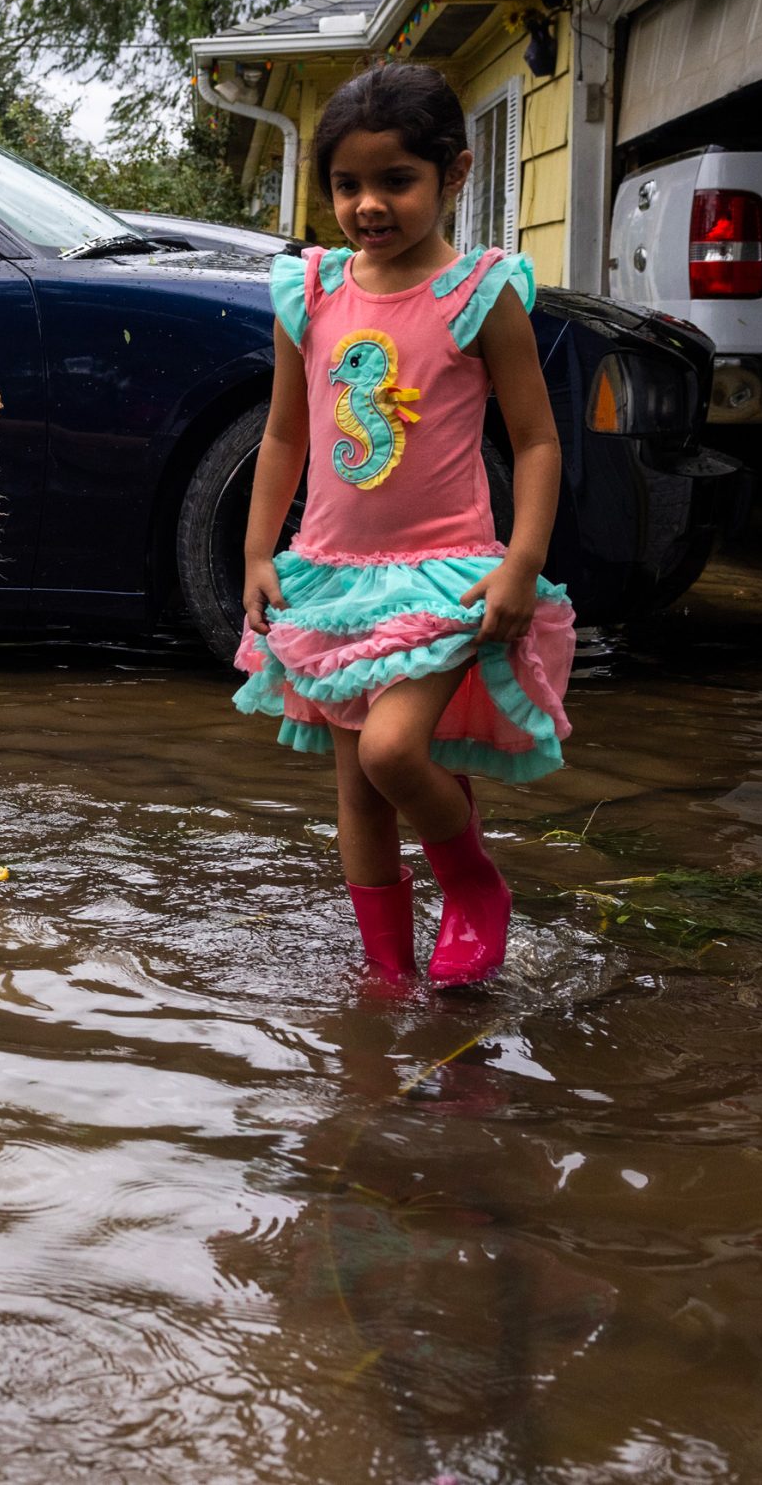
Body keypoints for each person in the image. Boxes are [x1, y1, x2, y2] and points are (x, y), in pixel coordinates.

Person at [235, 62, 575, 989]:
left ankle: (474, 887)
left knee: (394, 752)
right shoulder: (311, 291)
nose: (369, 205)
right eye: (348, 185)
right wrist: (262, 551)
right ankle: (388, 978)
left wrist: (521, 564)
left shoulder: (477, 293)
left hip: (443, 575)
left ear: (454, 175)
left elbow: (538, 441)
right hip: (336, 576)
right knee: (361, 788)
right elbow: (282, 433)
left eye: (396, 181)